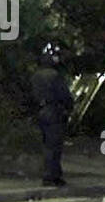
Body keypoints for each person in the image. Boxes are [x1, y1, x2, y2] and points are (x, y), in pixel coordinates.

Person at [30, 40, 73, 187]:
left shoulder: (36, 76)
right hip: (54, 111)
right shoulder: (55, 75)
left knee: (47, 144)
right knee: (54, 145)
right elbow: (64, 95)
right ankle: (52, 175)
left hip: (41, 111)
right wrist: (68, 108)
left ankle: (52, 174)